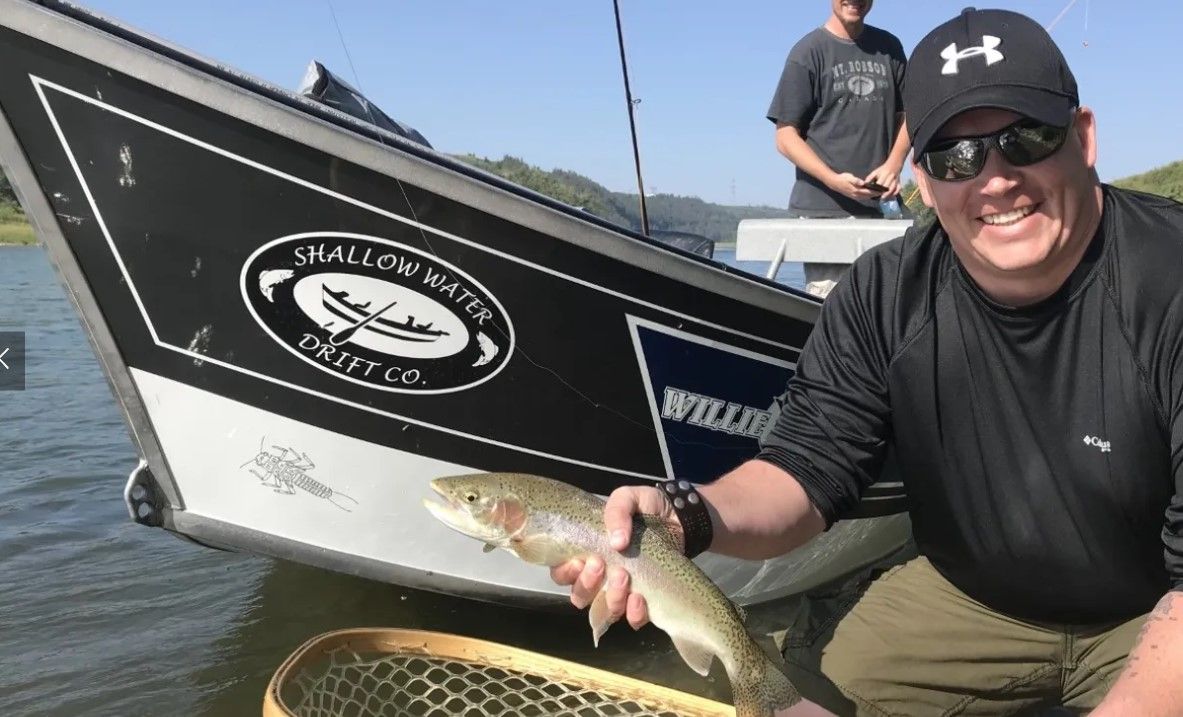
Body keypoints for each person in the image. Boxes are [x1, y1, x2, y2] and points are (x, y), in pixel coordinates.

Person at [554, 8, 1183, 716]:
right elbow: (805, 467)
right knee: (788, 697)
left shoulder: (1169, 280)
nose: (995, 178)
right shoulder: (886, 292)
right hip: (969, 600)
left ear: (1084, 137)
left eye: (1025, 138)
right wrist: (685, 517)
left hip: (1154, 607)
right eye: (955, 156)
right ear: (922, 177)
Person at [767, 0, 911, 296]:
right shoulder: (807, 52)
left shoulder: (890, 47)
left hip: (882, 209)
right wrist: (833, 180)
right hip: (824, 213)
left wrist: (894, 164)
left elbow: (908, 116)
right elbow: (785, 137)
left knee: (895, 304)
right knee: (833, 312)